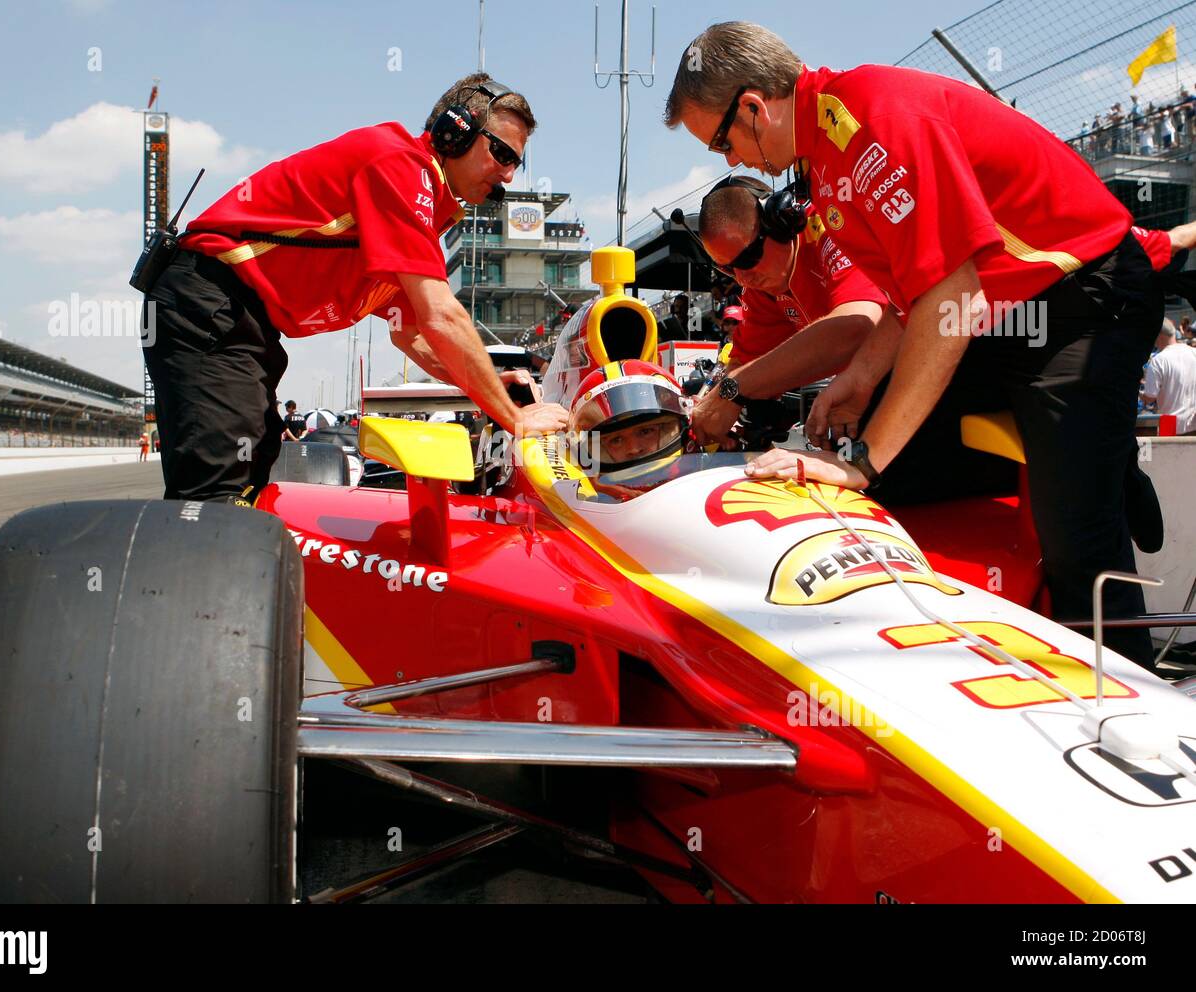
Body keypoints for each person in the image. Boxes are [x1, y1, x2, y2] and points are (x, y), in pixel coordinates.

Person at [664, 21, 1162, 666]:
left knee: (1078, 536)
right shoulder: (828, 156)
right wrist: (862, 380)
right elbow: (909, 300)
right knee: (894, 473)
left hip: (1088, 294)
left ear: (755, 106)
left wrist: (861, 462)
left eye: (723, 143)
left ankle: (1126, 705)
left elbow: (951, 301)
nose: (733, 162)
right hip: (1004, 310)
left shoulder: (875, 117)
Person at [140, 72, 568, 504]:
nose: (508, 176)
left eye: (518, 163)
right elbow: (442, 316)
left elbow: (414, 334)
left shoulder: (424, 206)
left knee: (249, 472)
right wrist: (512, 416)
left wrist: (490, 382)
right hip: (209, 300)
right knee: (215, 489)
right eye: (502, 153)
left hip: (240, 321)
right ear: (455, 131)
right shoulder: (400, 164)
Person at [689, 175, 889, 447]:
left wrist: (734, 389)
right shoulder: (763, 288)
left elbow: (858, 326)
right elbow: (743, 362)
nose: (742, 278)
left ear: (781, 222)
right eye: (727, 269)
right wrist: (709, 408)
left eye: (749, 258)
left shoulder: (828, 226)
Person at [569, 359, 695, 498]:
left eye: (645, 431)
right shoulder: (589, 496)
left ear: (671, 428)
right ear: (598, 449)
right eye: (616, 440)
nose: (634, 449)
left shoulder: (700, 460)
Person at [1142, 321, 1196, 434]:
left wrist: (1139, 392)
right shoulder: (1193, 352)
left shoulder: (1158, 360)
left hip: (1169, 423)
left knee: (1166, 450)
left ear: (1160, 335)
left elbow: (1150, 397)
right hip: (1193, 423)